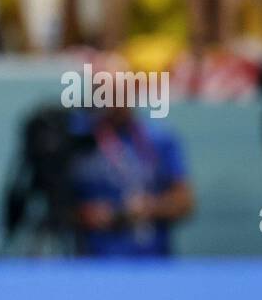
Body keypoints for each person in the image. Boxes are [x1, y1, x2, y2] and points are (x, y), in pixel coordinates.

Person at [71, 93, 194, 256]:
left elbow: (184, 202)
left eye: (118, 93)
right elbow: (55, 206)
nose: (110, 101)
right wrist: (84, 215)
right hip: (94, 262)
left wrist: (149, 208)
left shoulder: (159, 139)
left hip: (151, 260)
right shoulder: (77, 141)